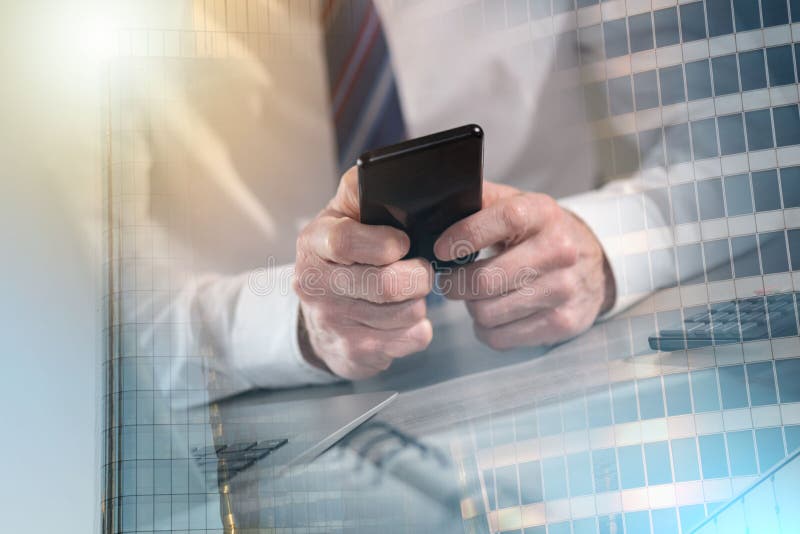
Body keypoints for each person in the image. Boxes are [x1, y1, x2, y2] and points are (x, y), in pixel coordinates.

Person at [131, 0, 694, 393]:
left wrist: (600, 247)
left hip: (568, 365)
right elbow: (110, 326)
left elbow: (733, 136)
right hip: (267, 417)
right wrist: (293, 326)